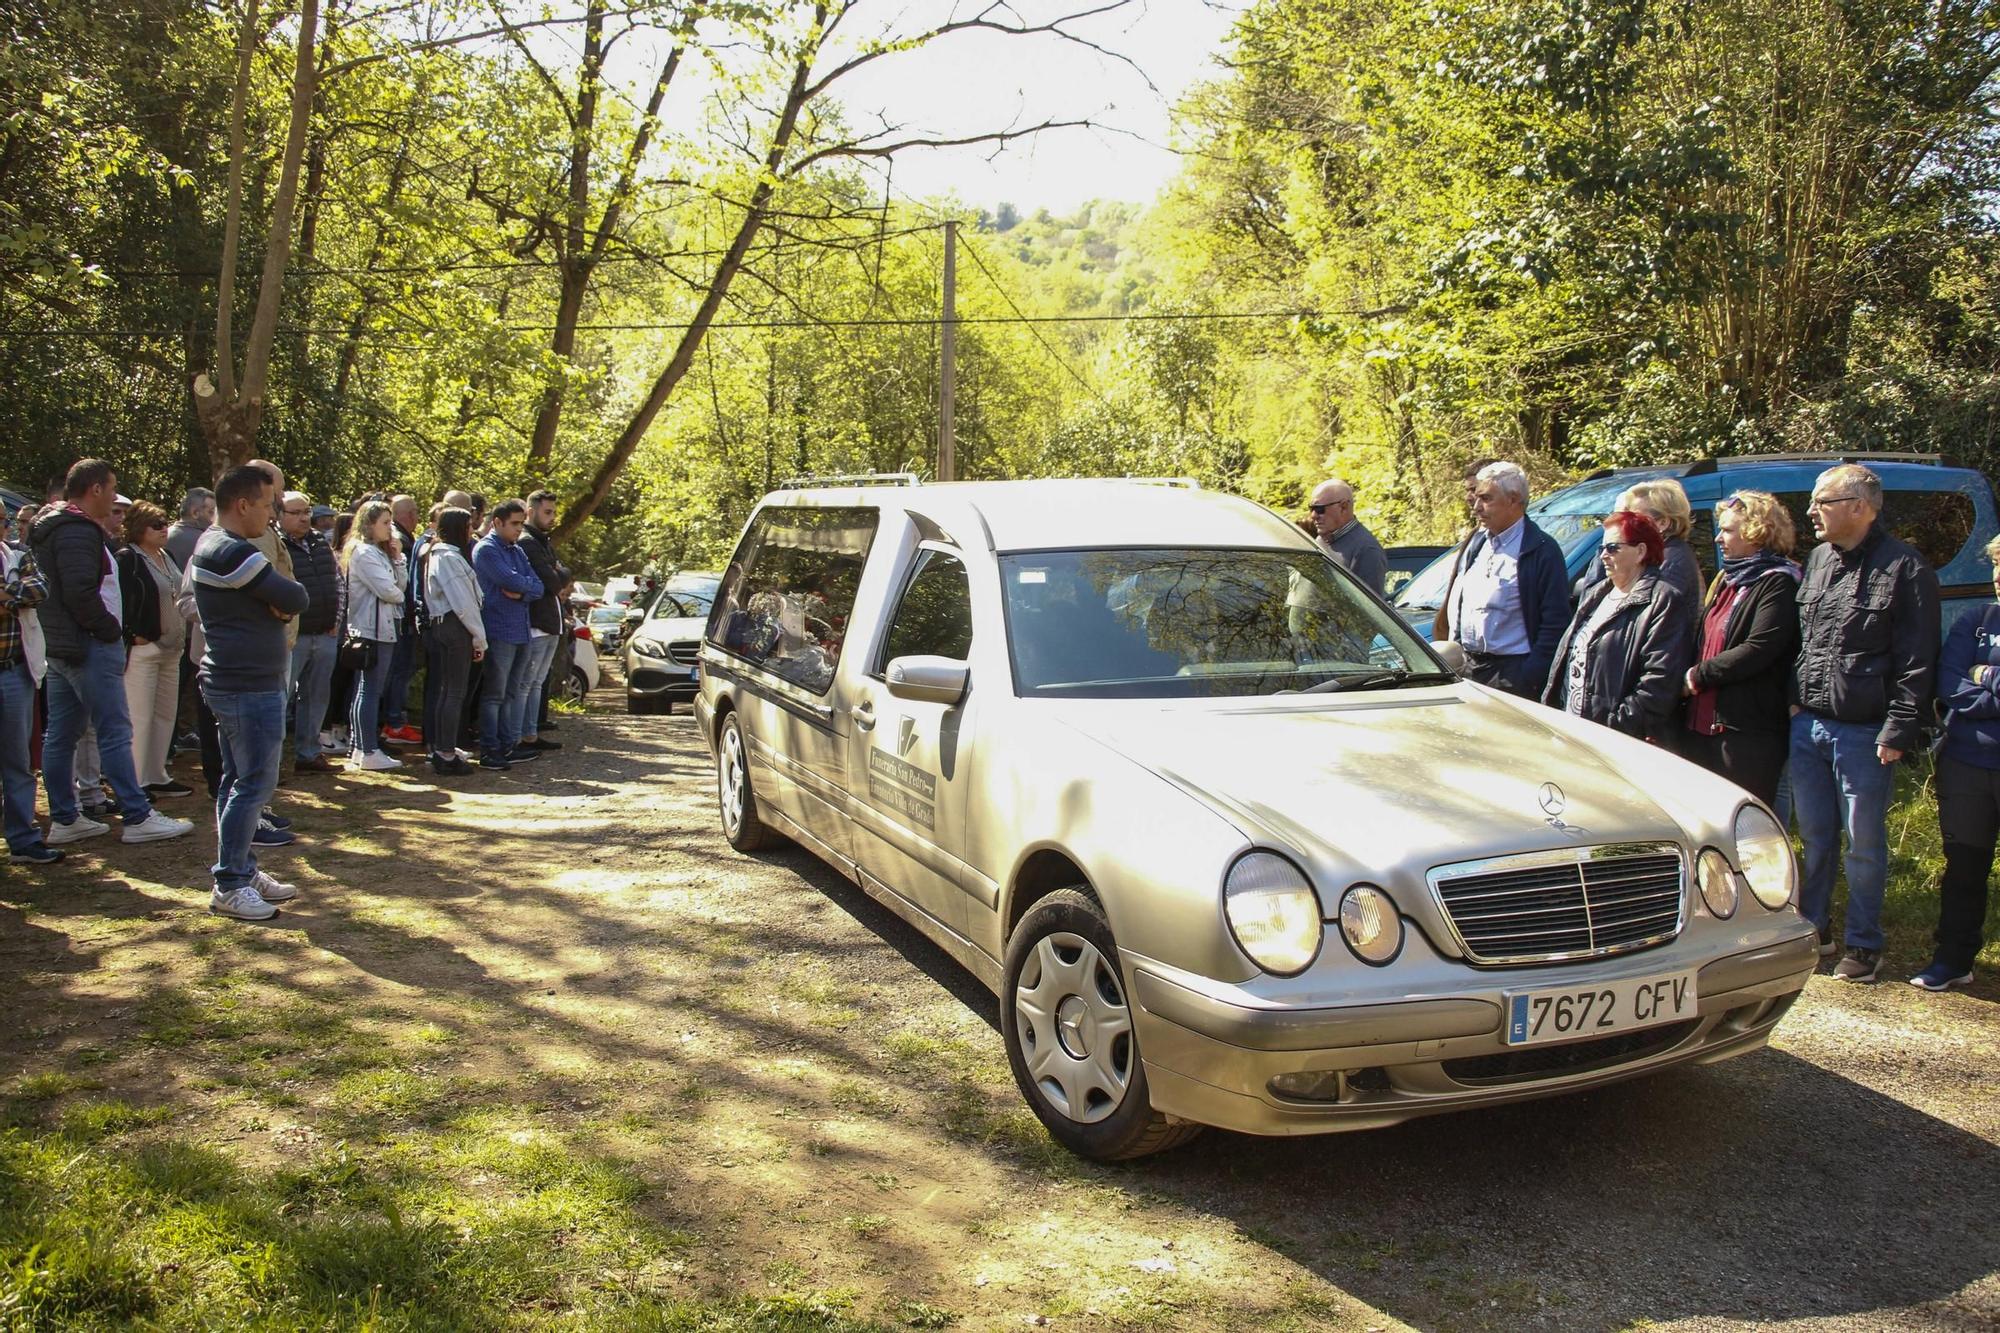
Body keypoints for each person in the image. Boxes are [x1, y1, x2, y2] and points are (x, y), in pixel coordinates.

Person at [1790, 463, 1941, 983]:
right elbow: (1804, 641)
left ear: (1860, 506)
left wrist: (1898, 729)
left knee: (1864, 845)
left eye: (1822, 501)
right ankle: (1814, 929)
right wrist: (1795, 701)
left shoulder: (1906, 569)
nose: (1811, 510)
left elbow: (1918, 660)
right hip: (1809, 725)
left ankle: (1863, 945)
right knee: (1814, 836)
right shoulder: (1815, 559)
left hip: (1865, 733)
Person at [30, 460, 192, 847]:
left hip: (64, 646)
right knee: (115, 730)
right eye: (112, 487)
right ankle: (137, 815)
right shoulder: (75, 530)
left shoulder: (55, 525)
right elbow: (79, 592)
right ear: (96, 489)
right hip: (85, 646)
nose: (116, 498)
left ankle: (68, 819)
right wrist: (108, 632)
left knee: (63, 734)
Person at [192, 465, 309, 921]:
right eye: (267, 505)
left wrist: (274, 600)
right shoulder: (228, 551)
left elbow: (286, 597)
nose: (272, 514)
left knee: (235, 781)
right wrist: (275, 601)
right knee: (253, 785)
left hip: (242, 681)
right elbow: (295, 597)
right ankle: (230, 883)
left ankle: (241, 868)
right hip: (245, 685)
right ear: (243, 505)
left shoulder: (226, 547)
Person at [1912, 532, 2000, 991]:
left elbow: (1969, 684)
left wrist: (1984, 674)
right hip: (1966, 763)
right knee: (1964, 867)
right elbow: (1948, 684)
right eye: (1996, 566)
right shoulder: (1976, 618)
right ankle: (1953, 959)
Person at [1681, 491, 1799, 806]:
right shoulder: (1727, 579)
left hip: (1746, 734)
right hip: (1702, 727)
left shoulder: (1778, 583)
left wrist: (1697, 676)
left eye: (1728, 531)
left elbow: (1759, 647)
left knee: (1743, 825)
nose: (1719, 538)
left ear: (1757, 534)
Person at [1542, 511, 1691, 736]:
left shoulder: (1664, 600)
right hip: (1571, 730)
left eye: (1612, 548)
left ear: (1641, 551)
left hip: (1613, 738)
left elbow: (1657, 683)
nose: (1603, 556)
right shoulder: (1597, 594)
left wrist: (1612, 729)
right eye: (1601, 549)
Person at [1443, 461, 1571, 698]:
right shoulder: (1478, 543)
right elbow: (1462, 603)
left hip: (1513, 675)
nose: (1477, 507)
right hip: (1470, 669)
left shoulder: (1541, 550)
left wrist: (1531, 675)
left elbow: (1555, 622)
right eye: (1477, 498)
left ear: (1513, 500)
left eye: (1487, 498)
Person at [116, 501, 192, 798]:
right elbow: (120, 600)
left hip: (173, 649)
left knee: (164, 715)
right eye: (156, 525)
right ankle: (135, 780)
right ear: (139, 529)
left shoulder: (167, 555)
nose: (164, 529)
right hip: (144, 649)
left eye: (165, 523)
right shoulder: (128, 559)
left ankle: (156, 773)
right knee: (140, 715)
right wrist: (133, 633)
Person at [472, 499, 543, 771]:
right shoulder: (487, 550)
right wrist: (525, 588)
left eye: (521, 524)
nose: (518, 529)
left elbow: (538, 585)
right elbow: (510, 580)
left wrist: (523, 592)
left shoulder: (516, 550)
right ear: (497, 523)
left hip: (521, 630)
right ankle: (490, 749)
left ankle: (507, 745)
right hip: (499, 630)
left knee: (512, 692)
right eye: (514, 524)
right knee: (495, 694)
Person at [1, 532, 57, 863]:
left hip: (13, 671)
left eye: (2, 520)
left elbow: (39, 589)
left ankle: (23, 839)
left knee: (18, 762)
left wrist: (5, 597)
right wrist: (14, 597)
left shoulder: (17, 556)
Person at [343, 499, 408, 772]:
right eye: (385, 523)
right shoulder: (365, 553)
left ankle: (361, 747)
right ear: (369, 524)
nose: (390, 528)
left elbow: (400, 585)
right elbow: (391, 592)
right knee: (370, 690)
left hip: (381, 627)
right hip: (372, 629)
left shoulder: (378, 552)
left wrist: (398, 559)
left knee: (367, 689)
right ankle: (367, 748)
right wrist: (395, 581)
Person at [421, 507, 486, 776]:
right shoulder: (448, 557)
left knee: (447, 689)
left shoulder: (442, 555)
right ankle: (445, 752)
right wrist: (479, 638)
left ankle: (441, 746)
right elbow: (463, 602)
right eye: (468, 525)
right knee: (454, 691)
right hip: (455, 626)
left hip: (446, 624)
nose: (471, 530)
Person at [280, 491, 341, 773]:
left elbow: (338, 582)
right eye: (296, 512)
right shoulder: (275, 545)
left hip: (325, 633)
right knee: (281, 698)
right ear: (279, 514)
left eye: (306, 511)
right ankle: (272, 761)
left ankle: (309, 754)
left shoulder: (319, 542)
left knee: (316, 697)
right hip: (293, 637)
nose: (304, 517)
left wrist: (337, 620)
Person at [516, 490, 569, 753]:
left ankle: (530, 732)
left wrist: (559, 575)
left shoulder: (543, 542)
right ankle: (521, 735)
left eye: (554, 512)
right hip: (537, 622)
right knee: (527, 682)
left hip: (550, 621)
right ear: (531, 511)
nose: (552, 517)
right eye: (547, 512)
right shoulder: (528, 542)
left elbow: (563, 574)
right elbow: (553, 580)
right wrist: (557, 576)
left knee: (536, 682)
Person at [1306, 478, 1387, 595]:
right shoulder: (1321, 540)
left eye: (1319, 509)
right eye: (1311, 509)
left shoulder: (1366, 550)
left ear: (1343, 507)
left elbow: (1365, 609)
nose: (1313, 516)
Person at [165, 488, 214, 567]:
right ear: (195, 513)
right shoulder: (205, 540)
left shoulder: (163, 535)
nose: (215, 518)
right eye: (211, 512)